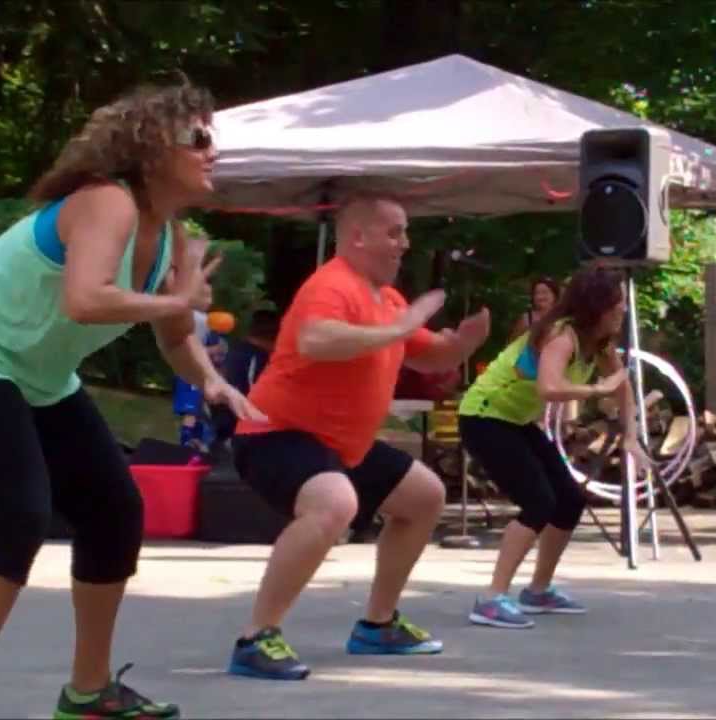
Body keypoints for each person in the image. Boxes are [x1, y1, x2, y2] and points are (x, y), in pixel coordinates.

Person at [0, 79, 264, 720]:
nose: (213, 151)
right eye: (199, 138)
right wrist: (179, 301)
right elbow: (86, 298)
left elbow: (175, 334)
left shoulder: (172, 234)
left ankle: (89, 692)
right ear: (152, 147)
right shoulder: (107, 202)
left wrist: (209, 377)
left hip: (36, 378)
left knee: (114, 511)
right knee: (18, 517)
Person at [228, 194, 490, 681]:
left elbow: (429, 355)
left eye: (406, 232)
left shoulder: (386, 300)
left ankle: (378, 624)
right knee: (334, 503)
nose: (404, 244)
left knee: (424, 496)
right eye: (394, 233)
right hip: (274, 435)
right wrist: (395, 330)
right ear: (357, 237)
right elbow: (315, 340)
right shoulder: (332, 285)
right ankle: (256, 637)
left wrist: (462, 344)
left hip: (341, 443)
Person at [457, 265, 649, 629]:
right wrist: (596, 391)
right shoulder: (561, 336)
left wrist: (631, 436)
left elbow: (622, 386)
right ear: (599, 306)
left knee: (570, 500)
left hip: (515, 421)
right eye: (619, 303)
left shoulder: (600, 342)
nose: (624, 309)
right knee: (538, 502)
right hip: (483, 417)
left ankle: (538, 591)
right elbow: (549, 387)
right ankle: (492, 598)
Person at [210, 309, 280, 444]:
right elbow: (255, 394)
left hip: (222, 423)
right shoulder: (256, 358)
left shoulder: (235, 350)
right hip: (239, 427)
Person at [174, 310, 231, 451]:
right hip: (191, 374)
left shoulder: (220, 340)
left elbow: (219, 361)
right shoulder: (199, 332)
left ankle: (199, 442)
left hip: (205, 378)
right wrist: (213, 351)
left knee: (203, 411)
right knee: (191, 410)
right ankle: (186, 441)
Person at [507, 276, 560, 342]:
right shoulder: (526, 318)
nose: (540, 296)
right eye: (537, 293)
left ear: (555, 295)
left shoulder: (562, 317)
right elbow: (512, 343)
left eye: (545, 292)